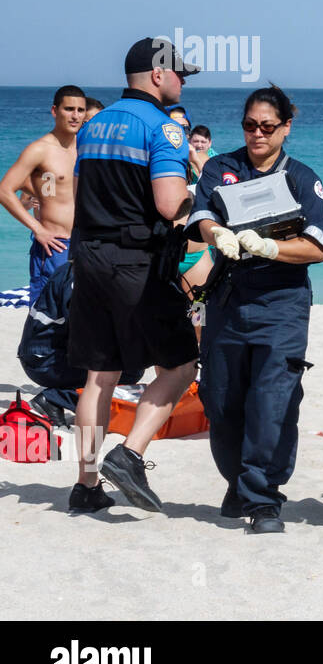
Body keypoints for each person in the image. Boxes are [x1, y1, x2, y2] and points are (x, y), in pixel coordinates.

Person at [66, 37, 201, 514]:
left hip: (90, 258)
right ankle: (130, 454)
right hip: (136, 263)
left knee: (98, 376)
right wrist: (198, 198)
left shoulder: (92, 126)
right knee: (182, 363)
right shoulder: (165, 130)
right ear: (159, 75)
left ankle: (85, 486)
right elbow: (168, 203)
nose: (184, 81)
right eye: (180, 73)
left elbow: (80, 197)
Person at [188, 85, 323, 533]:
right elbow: (201, 216)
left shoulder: (302, 178)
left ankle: (263, 497)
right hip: (227, 299)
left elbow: (317, 247)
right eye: (250, 125)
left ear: (287, 127)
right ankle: (238, 482)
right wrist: (217, 235)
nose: (257, 134)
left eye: (267, 126)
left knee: (272, 402)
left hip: (281, 305)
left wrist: (270, 246)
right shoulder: (220, 167)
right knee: (222, 399)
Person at [21, 262, 145, 427]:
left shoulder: (95, 269)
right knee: (121, 368)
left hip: (52, 351)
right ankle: (53, 398)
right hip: (43, 358)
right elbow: (84, 330)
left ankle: (60, 399)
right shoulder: (79, 276)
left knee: (131, 368)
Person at [1, 85, 86, 301]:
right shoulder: (39, 149)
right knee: (46, 322)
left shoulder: (86, 147)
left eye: (80, 110)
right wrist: (38, 229)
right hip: (54, 247)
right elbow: (5, 190)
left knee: (80, 320)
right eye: (69, 109)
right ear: (54, 111)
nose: (75, 116)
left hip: (84, 245)